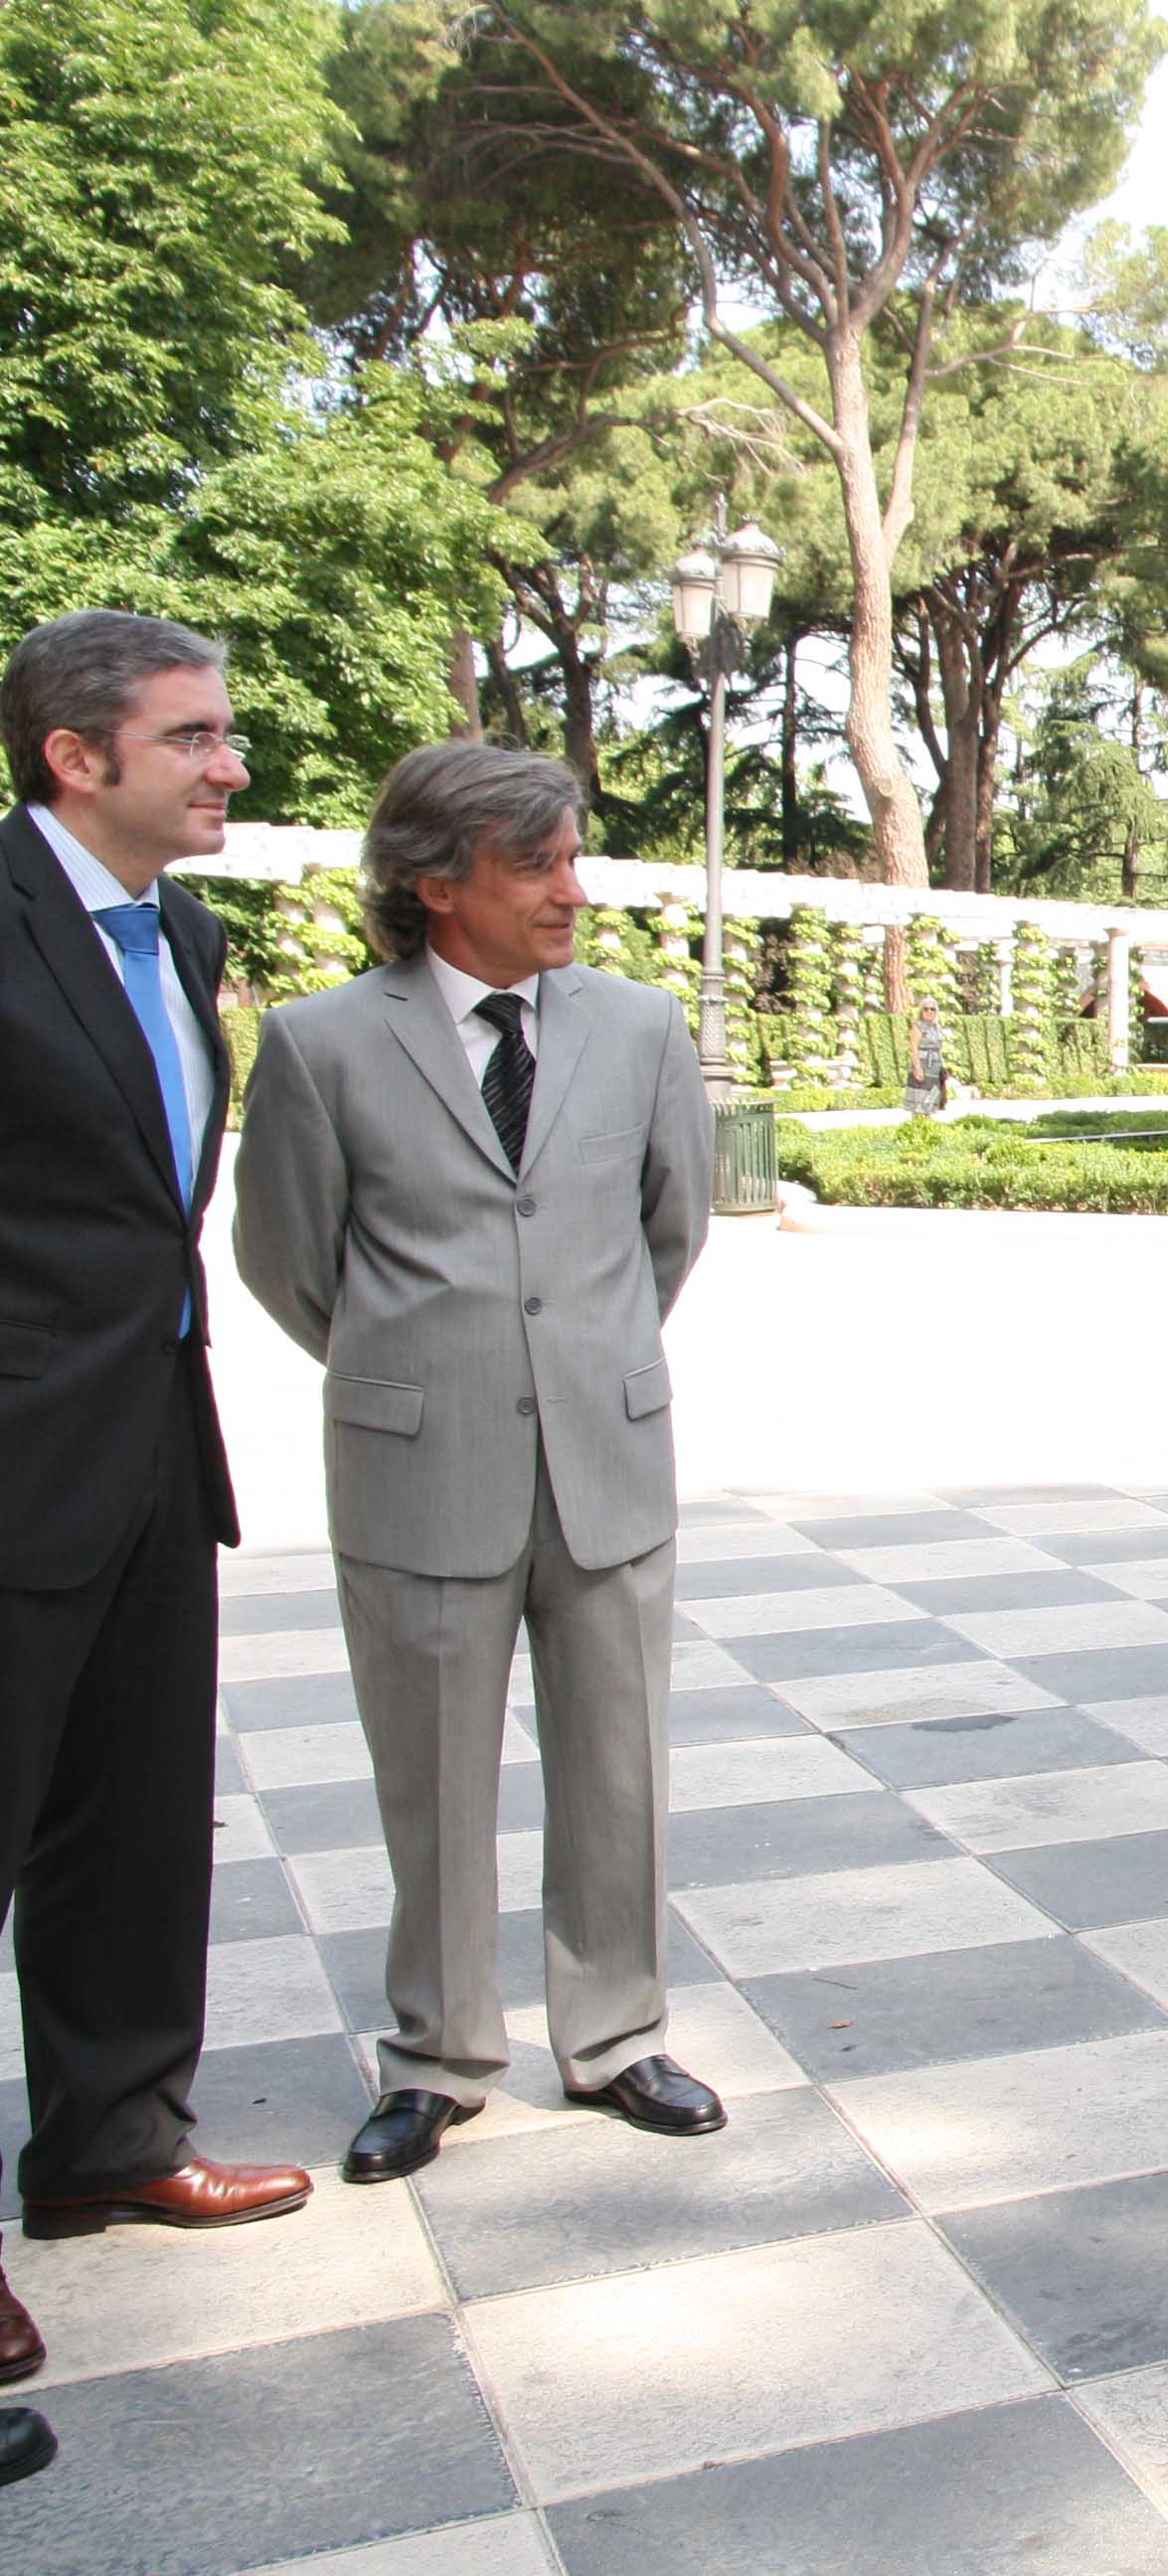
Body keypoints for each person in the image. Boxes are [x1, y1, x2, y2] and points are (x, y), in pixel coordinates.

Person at [233, 742, 723, 2183]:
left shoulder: (639, 1029)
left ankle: (619, 2034)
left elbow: (669, 1233)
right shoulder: (320, 1044)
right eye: (540, 865)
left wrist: (576, 1365)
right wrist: (427, 1373)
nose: (576, 890)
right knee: (431, 1783)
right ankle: (440, 2057)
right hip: (416, 1468)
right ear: (436, 883)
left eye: (577, 857)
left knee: (619, 1768)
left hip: (606, 1459)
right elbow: (286, 1261)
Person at [0, 609, 316, 2489]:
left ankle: (110, 2140)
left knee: (128, 1816)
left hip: (144, 1456)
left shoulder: (182, 935)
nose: (229, 766)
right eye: (194, 738)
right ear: (77, 757)